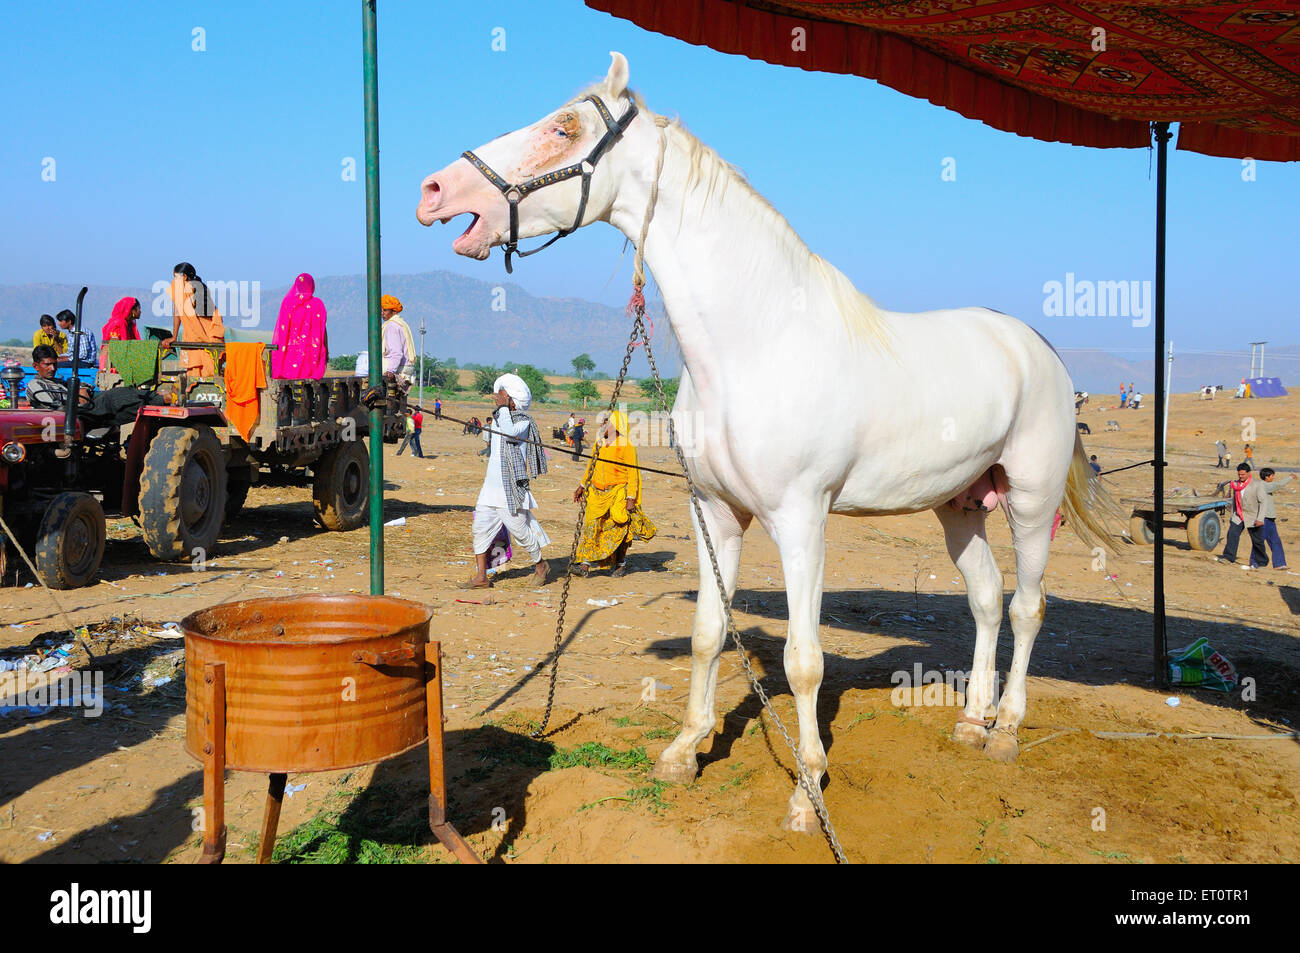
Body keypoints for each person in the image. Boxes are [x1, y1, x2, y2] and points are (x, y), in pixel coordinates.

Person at [461, 374, 550, 588]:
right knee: (480, 529)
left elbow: (510, 434)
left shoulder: (523, 422)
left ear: (511, 400)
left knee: (520, 531)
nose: (497, 397)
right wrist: (501, 410)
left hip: (509, 488)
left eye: (502, 395)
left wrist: (502, 408)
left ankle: (540, 564)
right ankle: (482, 577)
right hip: (490, 487)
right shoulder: (501, 418)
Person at [571, 410, 658, 577]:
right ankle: (584, 565)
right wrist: (582, 486)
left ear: (617, 425)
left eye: (608, 422)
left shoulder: (627, 446)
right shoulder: (600, 443)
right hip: (596, 494)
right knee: (591, 527)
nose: (604, 425)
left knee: (619, 529)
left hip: (618, 493)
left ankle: (620, 563)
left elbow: (633, 474)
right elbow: (591, 466)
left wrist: (631, 498)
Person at [27, 344, 156, 427]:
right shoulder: (35, 385)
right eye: (47, 365)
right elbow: (55, 407)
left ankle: (157, 405)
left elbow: (85, 386)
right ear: (36, 366)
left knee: (126, 412)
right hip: (70, 417)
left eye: (54, 364)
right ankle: (161, 399)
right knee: (112, 396)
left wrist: (82, 390)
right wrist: (80, 402)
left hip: (85, 410)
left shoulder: (58, 381)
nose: (52, 368)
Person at [166, 263, 225, 377]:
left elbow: (177, 313)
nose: (173, 281)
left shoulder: (182, 291)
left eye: (175, 277)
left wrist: (174, 336)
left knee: (194, 377)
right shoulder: (200, 288)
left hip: (195, 341)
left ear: (184, 277)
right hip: (210, 340)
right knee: (211, 374)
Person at [271, 273, 328, 379]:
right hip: (311, 355)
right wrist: (326, 351)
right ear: (312, 285)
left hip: (290, 354)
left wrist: (280, 355)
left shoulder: (287, 303)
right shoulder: (318, 304)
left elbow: (282, 332)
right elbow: (322, 332)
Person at [1219, 464, 1255, 564]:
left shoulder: (1255, 485)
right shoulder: (1235, 485)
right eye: (1239, 474)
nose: (1240, 476)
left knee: (1257, 539)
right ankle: (1228, 557)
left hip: (1252, 515)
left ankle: (1259, 561)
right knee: (1232, 534)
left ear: (1248, 473)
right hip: (1238, 514)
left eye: (1243, 474)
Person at [1257, 468, 1291, 570]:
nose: (1274, 477)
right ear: (1267, 477)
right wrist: (1290, 477)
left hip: (1270, 519)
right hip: (1264, 518)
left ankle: (1279, 564)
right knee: (1259, 542)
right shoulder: (1264, 486)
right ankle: (1255, 562)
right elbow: (1278, 485)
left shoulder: (1265, 485)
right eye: (1272, 476)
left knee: (1275, 541)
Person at [380, 295, 415, 381]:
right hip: (407, 366)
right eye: (381, 310)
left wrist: (390, 370)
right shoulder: (401, 323)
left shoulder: (391, 326)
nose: (382, 313)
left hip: (399, 367)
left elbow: (396, 352)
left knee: (366, 364)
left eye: (385, 310)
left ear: (394, 312)